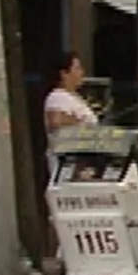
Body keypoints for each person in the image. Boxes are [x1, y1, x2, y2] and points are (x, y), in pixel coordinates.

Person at [43, 51, 96, 181]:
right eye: (77, 68)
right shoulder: (58, 97)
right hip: (69, 167)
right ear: (64, 74)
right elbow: (56, 122)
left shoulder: (75, 99)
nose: (81, 73)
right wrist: (81, 122)